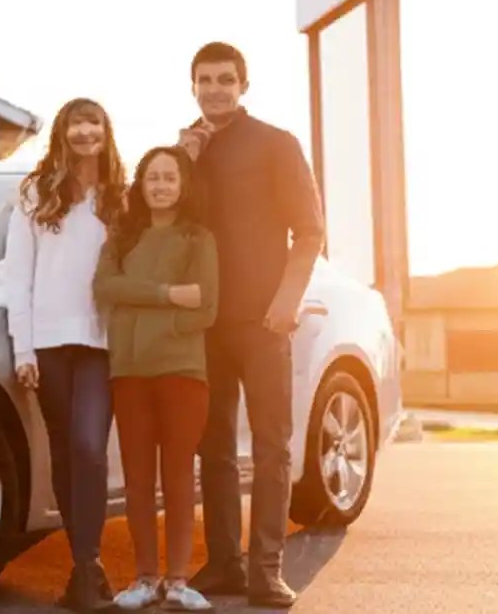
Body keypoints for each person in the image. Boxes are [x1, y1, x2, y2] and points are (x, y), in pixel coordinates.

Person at [178, 42, 325, 609]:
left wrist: (287, 301)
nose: (215, 89)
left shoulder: (275, 144)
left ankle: (266, 569)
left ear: (243, 85)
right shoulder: (184, 150)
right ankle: (223, 563)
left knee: (271, 447)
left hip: (264, 322)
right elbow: (160, 222)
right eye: (204, 80)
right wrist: (186, 158)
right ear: (191, 85)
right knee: (211, 449)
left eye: (225, 79)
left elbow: (309, 231)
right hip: (204, 325)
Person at [5, 97, 127, 612]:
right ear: (62, 131)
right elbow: (18, 275)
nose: (84, 132)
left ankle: (88, 561)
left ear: (106, 131)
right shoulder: (35, 193)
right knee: (63, 449)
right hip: (50, 343)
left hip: (103, 342)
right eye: (76, 123)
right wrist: (23, 347)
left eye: (92, 122)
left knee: (88, 447)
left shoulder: (121, 196)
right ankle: (86, 568)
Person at [94, 146, 218, 611]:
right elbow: (106, 287)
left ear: (183, 185)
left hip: (184, 372)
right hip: (129, 371)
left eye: (169, 177)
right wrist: (168, 295)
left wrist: (145, 311)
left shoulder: (198, 238)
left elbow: (206, 306)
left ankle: (179, 579)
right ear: (140, 185)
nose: (161, 185)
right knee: (139, 478)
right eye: (152, 178)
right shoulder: (123, 238)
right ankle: (145, 578)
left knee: (180, 475)